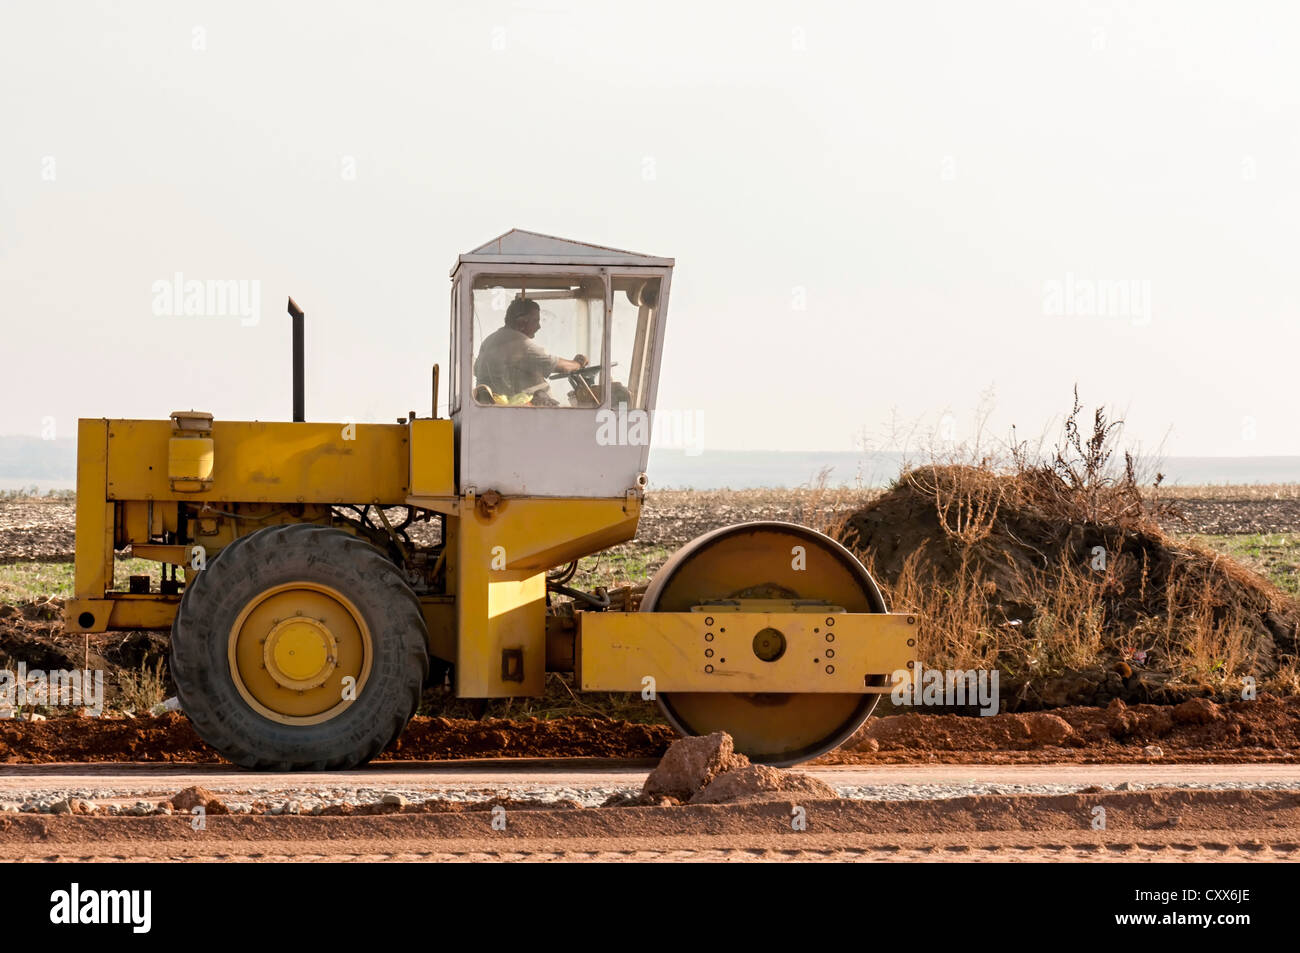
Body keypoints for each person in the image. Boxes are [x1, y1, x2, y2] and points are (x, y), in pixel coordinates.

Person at [474, 298, 587, 405]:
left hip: (500, 407)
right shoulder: (517, 342)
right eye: (535, 321)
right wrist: (578, 363)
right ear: (521, 323)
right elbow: (556, 365)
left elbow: (476, 370)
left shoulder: (490, 340)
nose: (539, 326)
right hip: (520, 413)